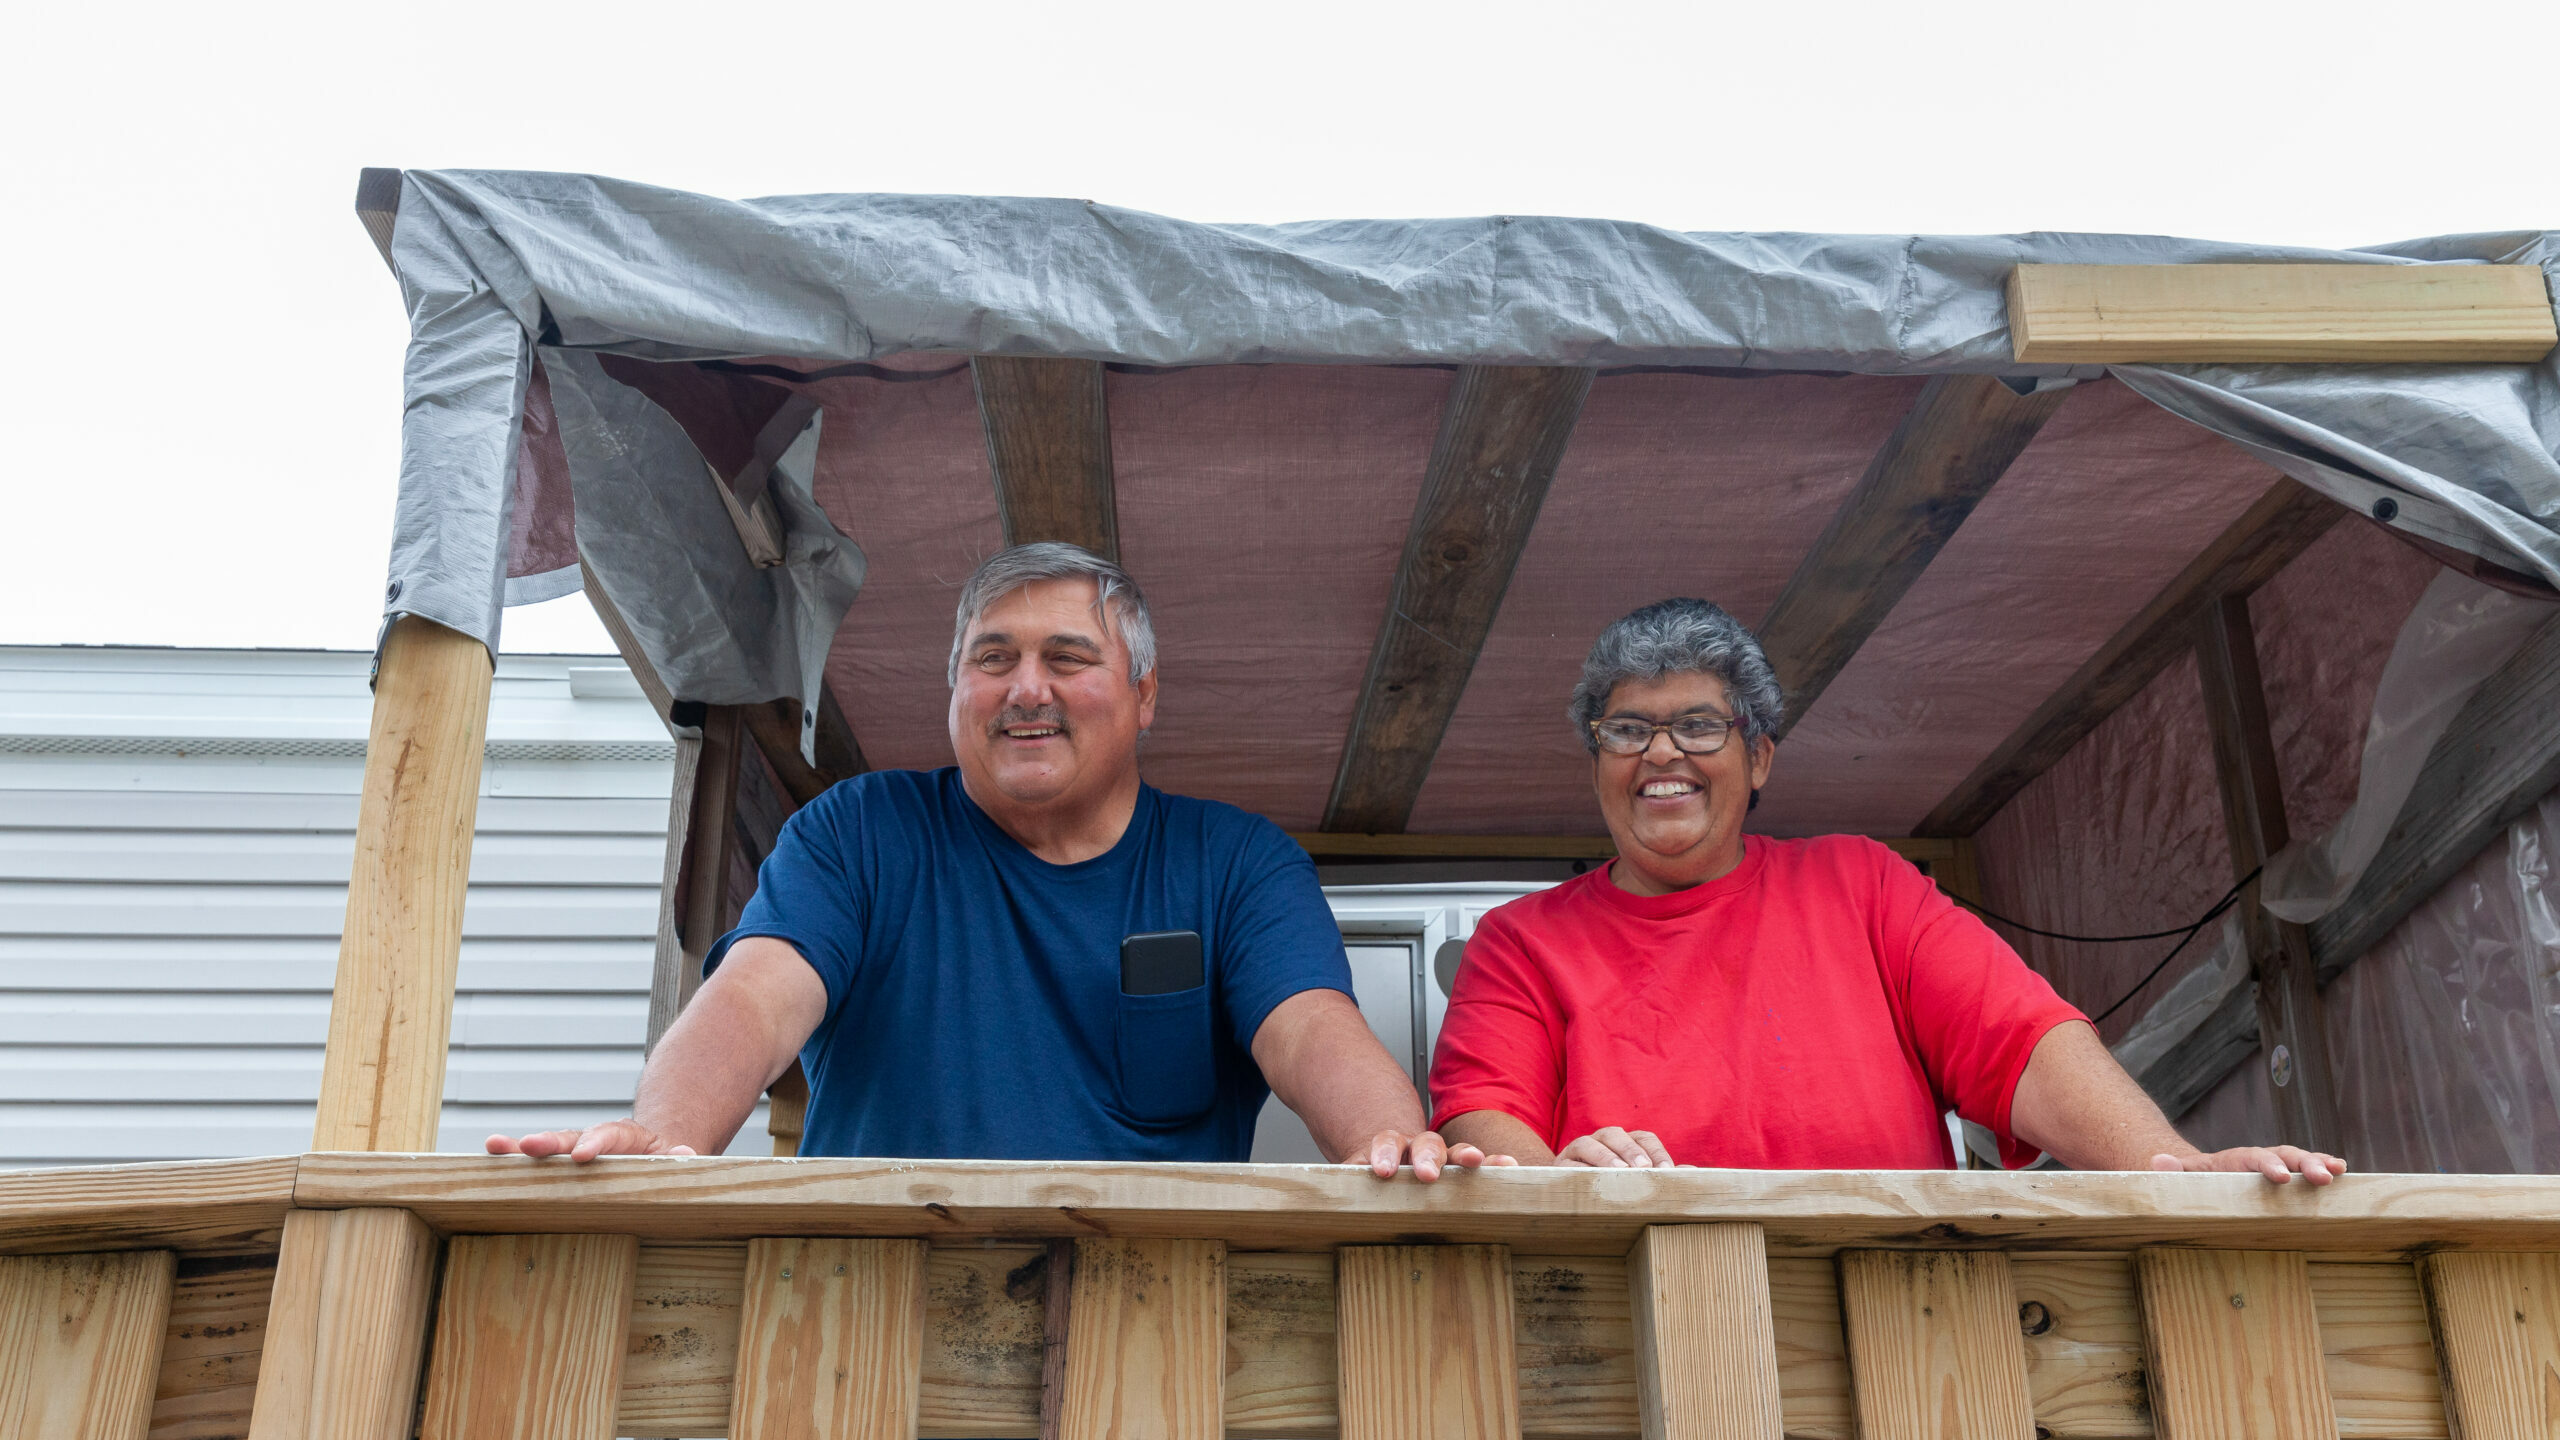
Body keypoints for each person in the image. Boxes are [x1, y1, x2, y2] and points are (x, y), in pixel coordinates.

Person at [493, 543, 1496, 1179]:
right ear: (954, 690)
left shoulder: (1236, 861)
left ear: (1144, 695)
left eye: (1067, 658)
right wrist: (669, 1137)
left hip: (1147, 1337)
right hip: (861, 1329)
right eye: (992, 658)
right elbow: (756, 997)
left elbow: (1309, 1027)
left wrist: (1383, 1139)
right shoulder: (860, 831)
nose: (1025, 689)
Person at [1429, 597, 2348, 1184]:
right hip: (1642, 1333)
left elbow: (2022, 1044)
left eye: (1699, 726)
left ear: (1759, 757)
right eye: (1626, 730)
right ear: (1596, 762)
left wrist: (2171, 1170)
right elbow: (1483, 1122)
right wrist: (1561, 1184)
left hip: (1901, 1327)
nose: (1661, 753)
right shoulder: (1520, 940)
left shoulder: (1859, 881)